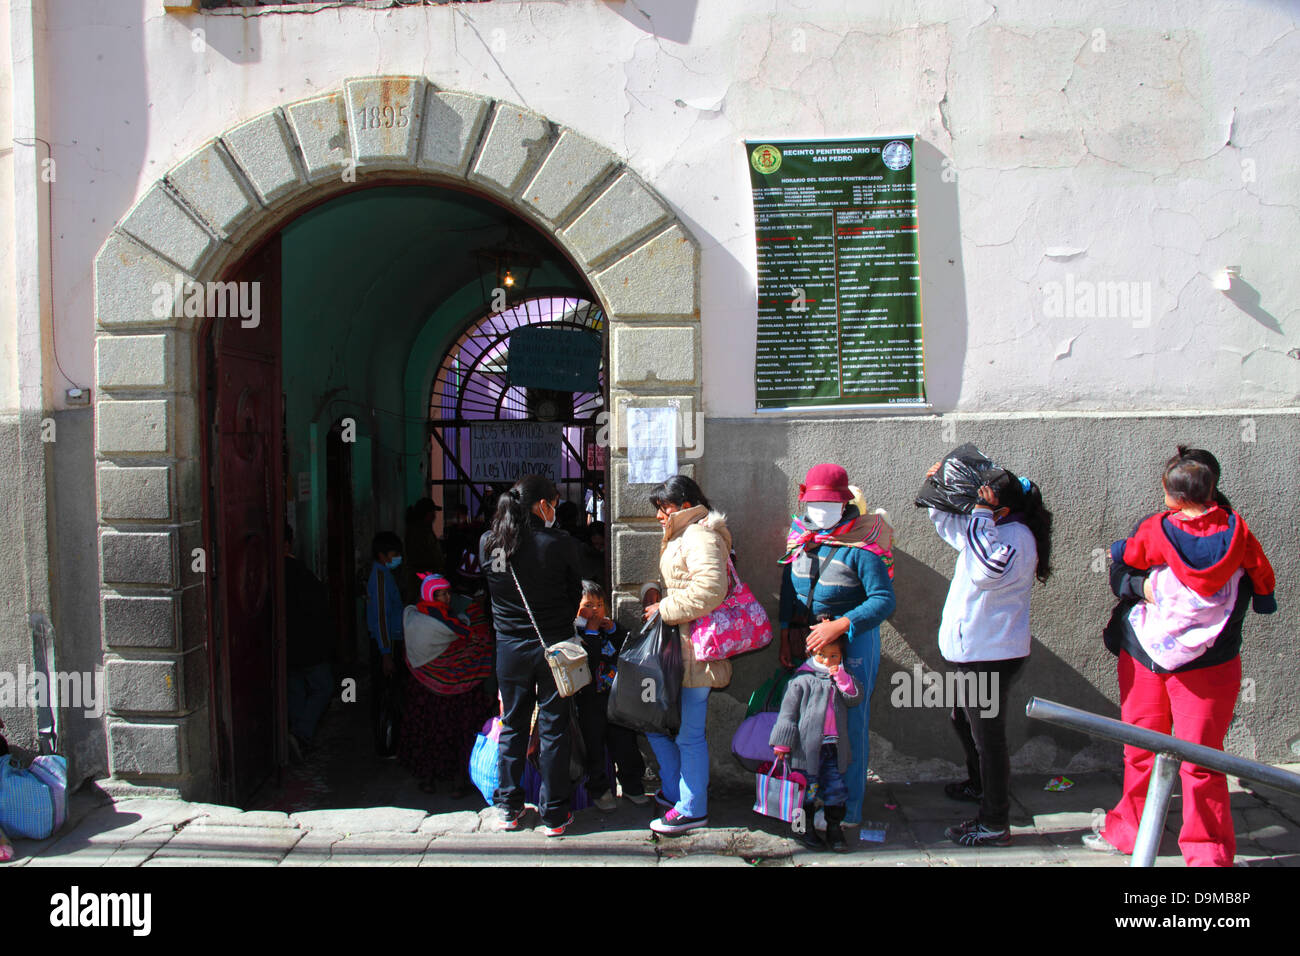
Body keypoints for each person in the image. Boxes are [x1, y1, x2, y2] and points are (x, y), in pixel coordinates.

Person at [1089, 447, 1276, 866]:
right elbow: (1120, 577)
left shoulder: (1232, 532)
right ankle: (1129, 831)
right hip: (1144, 658)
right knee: (1139, 749)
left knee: (1202, 761)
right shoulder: (1183, 529)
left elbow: (1124, 561)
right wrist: (1144, 590)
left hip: (1206, 668)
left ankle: (1207, 854)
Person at [925, 460, 1053, 847]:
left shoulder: (1014, 538)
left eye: (983, 500)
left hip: (990, 656)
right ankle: (980, 787)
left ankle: (995, 822)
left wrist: (981, 514)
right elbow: (952, 528)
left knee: (988, 740)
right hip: (975, 650)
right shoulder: (994, 530)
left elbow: (985, 572)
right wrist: (937, 486)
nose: (975, 509)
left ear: (1001, 507)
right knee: (963, 720)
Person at [778, 463, 896, 829]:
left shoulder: (862, 546)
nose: (821, 510)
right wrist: (786, 633)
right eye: (815, 503)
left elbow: (884, 600)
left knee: (851, 725)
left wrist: (843, 624)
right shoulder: (800, 538)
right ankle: (817, 798)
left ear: (845, 504)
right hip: (809, 645)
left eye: (829, 503)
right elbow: (787, 590)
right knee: (810, 723)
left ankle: (850, 808)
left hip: (854, 645)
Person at [480, 475, 582, 836]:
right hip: (553, 645)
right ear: (542, 505)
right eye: (553, 501)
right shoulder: (560, 543)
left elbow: (491, 596)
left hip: (509, 647)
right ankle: (554, 814)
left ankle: (508, 807)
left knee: (513, 723)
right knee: (554, 727)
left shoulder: (489, 544)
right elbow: (574, 595)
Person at [641, 474, 732, 835]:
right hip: (684, 647)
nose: (659, 516)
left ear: (682, 505)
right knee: (667, 727)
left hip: (697, 650)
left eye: (663, 508)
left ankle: (693, 808)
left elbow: (711, 590)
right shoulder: (687, 534)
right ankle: (681, 794)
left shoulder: (698, 535)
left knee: (689, 734)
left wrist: (665, 608)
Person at [399, 573, 493, 797]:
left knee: (448, 733)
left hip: (432, 692)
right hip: (432, 692)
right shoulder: (419, 618)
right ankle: (433, 778)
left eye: (447, 593)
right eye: (439, 594)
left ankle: (454, 780)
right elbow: (422, 644)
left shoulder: (454, 616)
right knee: (436, 732)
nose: (445, 599)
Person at [769, 633, 861, 852]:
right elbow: (787, 715)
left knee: (836, 790)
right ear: (811, 654)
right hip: (806, 751)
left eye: (834, 656)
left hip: (833, 748)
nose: (828, 661)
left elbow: (855, 697)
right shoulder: (801, 681)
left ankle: (834, 828)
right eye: (822, 656)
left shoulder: (840, 680)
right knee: (806, 793)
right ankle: (802, 829)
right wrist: (782, 743)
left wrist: (842, 679)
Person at [573, 580, 648, 811]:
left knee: (625, 744)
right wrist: (593, 632)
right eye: (588, 605)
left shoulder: (610, 629)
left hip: (616, 699)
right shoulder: (576, 634)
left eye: (599, 604)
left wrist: (613, 630)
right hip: (590, 702)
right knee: (594, 748)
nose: (595, 610)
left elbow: (628, 646)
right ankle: (600, 790)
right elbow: (588, 660)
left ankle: (633, 785)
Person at [284, 524, 333, 759]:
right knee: (323, 688)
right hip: (309, 645)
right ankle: (301, 735)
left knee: (295, 691)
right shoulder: (300, 572)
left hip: (287, 645)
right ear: (289, 542)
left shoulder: (272, 572)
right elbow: (318, 610)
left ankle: (298, 737)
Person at [366, 531, 405, 755]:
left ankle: (389, 742)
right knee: (385, 697)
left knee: (389, 696)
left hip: (389, 643)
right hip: (386, 644)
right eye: (393, 554)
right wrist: (386, 654)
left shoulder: (383, 575)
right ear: (382, 555)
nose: (397, 558)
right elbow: (381, 617)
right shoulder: (379, 577)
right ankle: (385, 744)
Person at [401, 498, 444, 604]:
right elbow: (423, 556)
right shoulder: (419, 531)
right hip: (421, 578)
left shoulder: (423, 529)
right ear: (427, 514)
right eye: (432, 513)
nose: (434, 516)